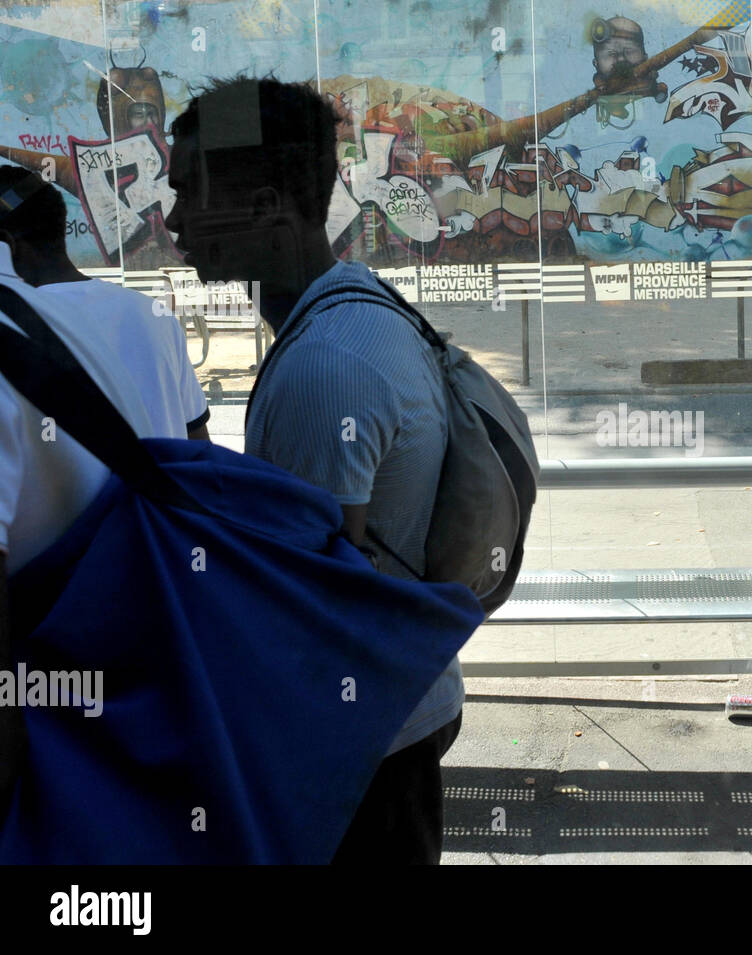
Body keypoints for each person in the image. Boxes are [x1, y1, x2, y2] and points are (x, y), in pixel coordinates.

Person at [163, 75, 464, 864]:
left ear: (265, 206)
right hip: (398, 713)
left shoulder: (323, 368)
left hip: (358, 750)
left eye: (185, 196)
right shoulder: (356, 304)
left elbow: (307, 614)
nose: (170, 222)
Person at [0, 167, 208, 810]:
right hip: (159, 608)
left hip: (52, 637)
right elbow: (198, 458)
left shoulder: (15, 331)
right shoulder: (148, 315)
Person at [0, 166, 210, 442]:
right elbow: (199, 444)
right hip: (166, 483)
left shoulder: (11, 330)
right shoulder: (154, 316)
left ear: (7, 246)